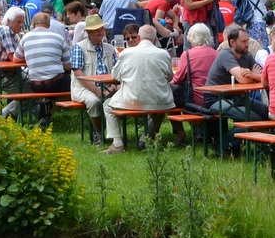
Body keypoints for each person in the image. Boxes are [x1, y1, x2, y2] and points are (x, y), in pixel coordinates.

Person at [103, 24, 175, 153]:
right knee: (158, 109)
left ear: (140, 37)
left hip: (131, 100)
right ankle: (145, 138)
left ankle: (118, 144)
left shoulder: (126, 53)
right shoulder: (164, 54)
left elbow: (115, 75)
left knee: (107, 105)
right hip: (160, 100)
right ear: (154, 39)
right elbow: (169, 78)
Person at [70, 13, 119, 145]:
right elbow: (78, 74)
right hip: (83, 87)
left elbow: (116, 71)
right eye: (97, 30)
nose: (101, 32)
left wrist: (113, 87)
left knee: (120, 100)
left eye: (102, 29)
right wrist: (96, 90)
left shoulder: (110, 48)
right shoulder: (78, 47)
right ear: (89, 32)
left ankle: (118, 136)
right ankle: (98, 132)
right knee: (94, 101)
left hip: (109, 86)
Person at [207, 24, 266, 122]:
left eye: (248, 41)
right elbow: (243, 80)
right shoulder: (225, 54)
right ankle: (225, 138)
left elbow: (265, 77)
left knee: (265, 112)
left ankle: (252, 136)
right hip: (216, 99)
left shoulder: (247, 55)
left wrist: (253, 75)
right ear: (232, 42)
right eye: (243, 41)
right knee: (252, 118)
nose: (247, 44)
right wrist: (254, 76)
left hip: (237, 97)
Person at [18, 11, 71, 97]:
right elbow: (68, 66)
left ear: (33, 25)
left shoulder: (25, 38)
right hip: (56, 84)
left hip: (36, 86)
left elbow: (16, 58)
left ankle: (47, 107)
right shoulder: (58, 38)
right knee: (74, 81)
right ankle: (52, 107)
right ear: (49, 25)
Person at [172, 22, 218, 111]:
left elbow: (177, 79)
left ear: (191, 38)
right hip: (215, 98)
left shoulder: (187, 54)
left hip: (195, 100)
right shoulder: (216, 53)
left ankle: (177, 125)